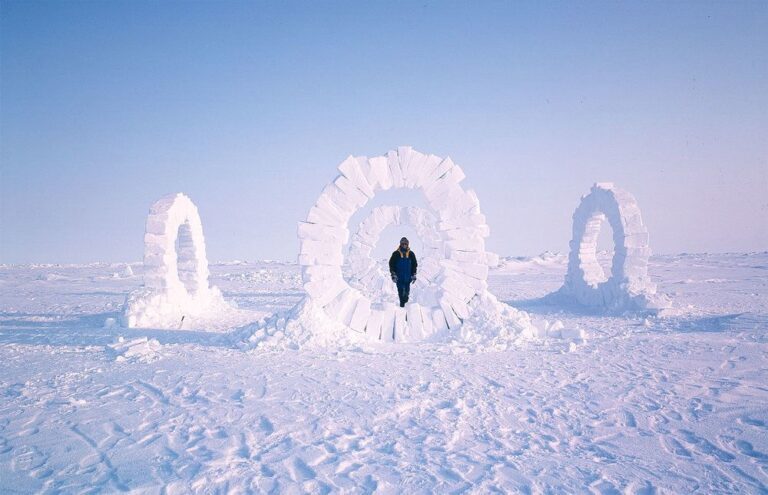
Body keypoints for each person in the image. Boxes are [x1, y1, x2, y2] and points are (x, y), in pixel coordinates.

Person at [389, 237, 418, 308]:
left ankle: (406, 308)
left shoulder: (411, 254)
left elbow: (414, 265)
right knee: (401, 293)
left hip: (408, 278)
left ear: (408, 244)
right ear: (400, 244)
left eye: (406, 244)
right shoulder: (396, 253)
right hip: (399, 278)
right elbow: (391, 264)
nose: (404, 245)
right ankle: (402, 308)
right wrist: (393, 274)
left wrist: (414, 274)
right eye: (403, 244)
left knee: (406, 294)